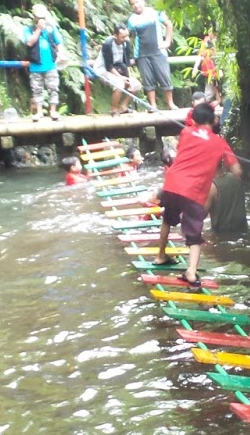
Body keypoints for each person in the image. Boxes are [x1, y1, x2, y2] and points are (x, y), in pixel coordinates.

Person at [149, 102, 239, 286]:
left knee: (168, 219)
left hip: (172, 183)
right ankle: (191, 272)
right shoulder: (220, 142)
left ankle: (160, 256)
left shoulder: (186, 133)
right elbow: (237, 171)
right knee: (194, 234)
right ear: (213, 120)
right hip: (194, 190)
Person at [126, 0, 173, 111]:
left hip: (158, 51)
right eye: (132, 4)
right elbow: (131, 36)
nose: (135, 5)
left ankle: (170, 103)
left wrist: (167, 41)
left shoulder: (155, 12)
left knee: (165, 77)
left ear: (143, 0)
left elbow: (169, 24)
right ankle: (153, 105)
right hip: (141, 54)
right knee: (148, 80)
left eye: (137, 2)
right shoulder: (132, 20)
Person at [23, 5, 64, 119]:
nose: (41, 19)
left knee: (53, 88)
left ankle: (53, 111)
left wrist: (61, 53)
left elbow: (59, 42)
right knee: (37, 89)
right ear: (34, 17)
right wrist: (39, 29)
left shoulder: (51, 28)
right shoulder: (28, 29)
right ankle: (39, 112)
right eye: (39, 17)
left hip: (51, 65)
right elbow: (29, 43)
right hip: (35, 65)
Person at [100, 24, 135, 113]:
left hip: (119, 68)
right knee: (119, 84)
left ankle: (124, 106)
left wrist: (129, 78)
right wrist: (121, 78)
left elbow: (127, 63)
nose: (126, 39)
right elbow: (109, 66)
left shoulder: (126, 44)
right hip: (104, 70)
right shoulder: (108, 44)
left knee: (135, 85)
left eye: (127, 36)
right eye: (123, 37)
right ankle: (114, 109)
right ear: (115, 36)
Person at [196, 27, 218, 92]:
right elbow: (201, 54)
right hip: (209, 72)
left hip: (215, 70)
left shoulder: (217, 41)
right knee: (210, 92)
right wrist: (196, 67)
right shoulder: (207, 41)